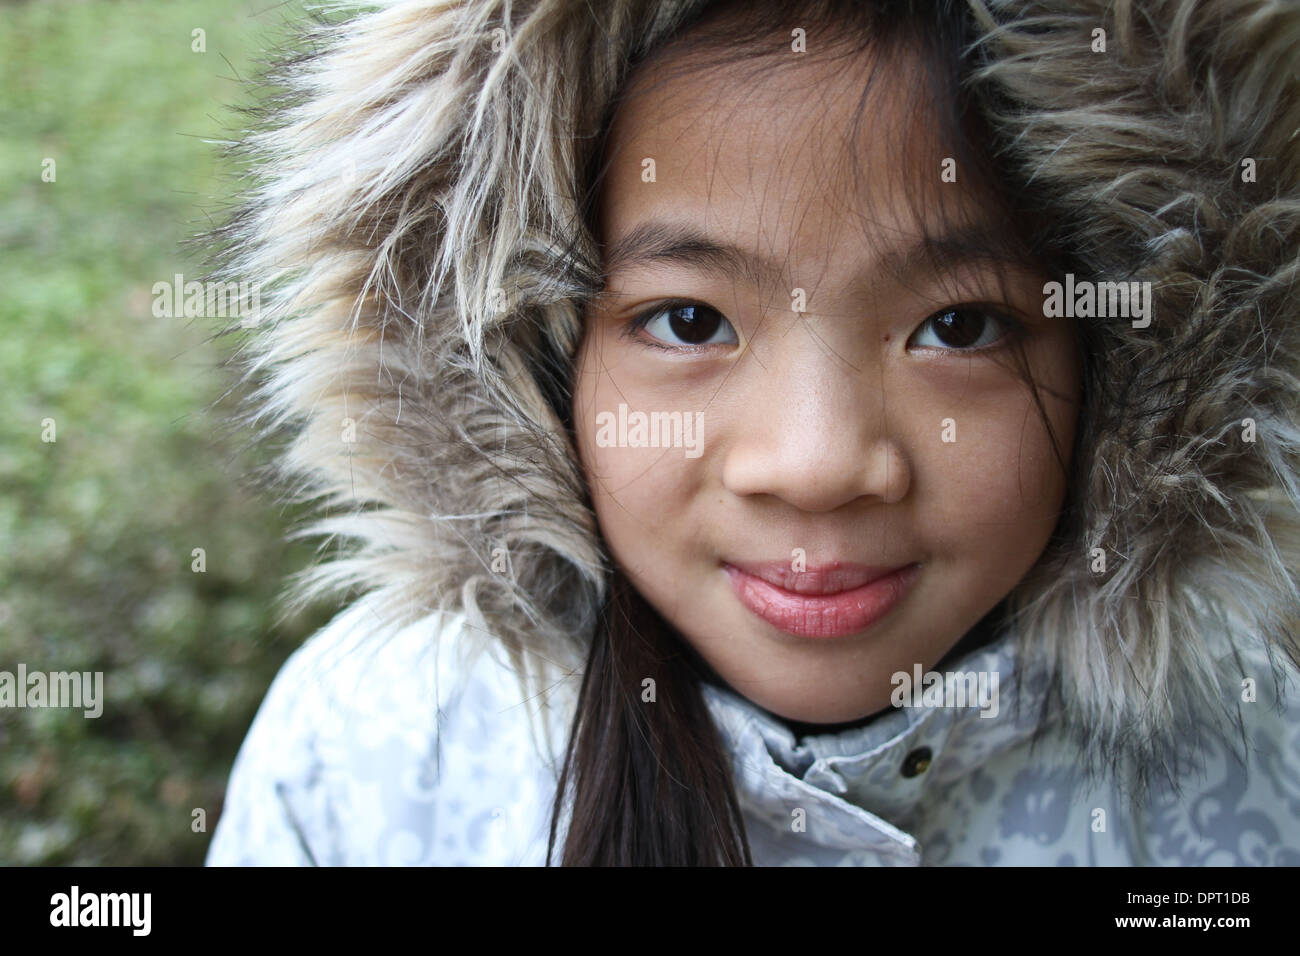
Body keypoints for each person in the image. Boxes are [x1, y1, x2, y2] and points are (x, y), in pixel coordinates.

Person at [204, 0, 1300, 865]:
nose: (815, 464)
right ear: (532, 361)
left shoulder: (1264, 756)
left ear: (1132, 370)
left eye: (956, 327)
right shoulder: (364, 747)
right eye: (689, 321)